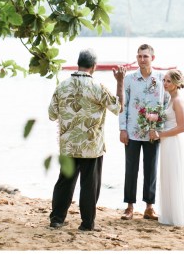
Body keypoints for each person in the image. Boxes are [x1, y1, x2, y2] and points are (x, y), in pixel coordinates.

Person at [48, 48, 120, 231]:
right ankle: (87, 223)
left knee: (64, 182)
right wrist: (120, 82)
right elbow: (117, 107)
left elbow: (52, 114)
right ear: (94, 66)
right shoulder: (98, 87)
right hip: (91, 145)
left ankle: (57, 219)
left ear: (78, 63)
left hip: (68, 144)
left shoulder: (62, 86)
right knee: (89, 185)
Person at [114, 43, 169, 221]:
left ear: (153, 58)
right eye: (139, 56)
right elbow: (122, 105)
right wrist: (122, 129)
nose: (142, 59)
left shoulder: (161, 79)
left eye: (146, 56)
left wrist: (159, 129)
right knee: (131, 169)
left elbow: (166, 105)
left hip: (153, 133)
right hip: (132, 131)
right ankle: (129, 207)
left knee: (151, 170)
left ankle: (149, 207)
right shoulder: (129, 79)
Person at [149, 69, 184, 226]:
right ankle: (169, 215)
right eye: (164, 80)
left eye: (168, 81)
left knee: (175, 176)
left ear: (176, 83)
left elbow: (182, 127)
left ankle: (178, 216)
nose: (165, 83)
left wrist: (160, 134)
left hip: (174, 142)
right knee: (168, 176)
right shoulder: (170, 99)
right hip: (167, 142)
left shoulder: (178, 101)